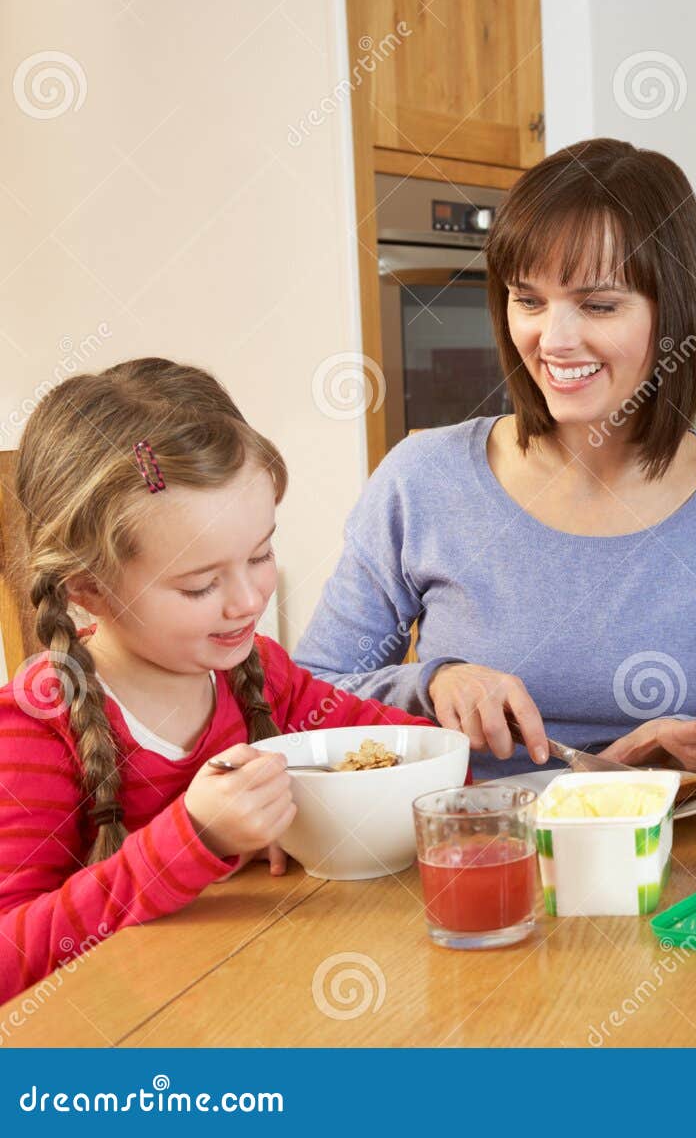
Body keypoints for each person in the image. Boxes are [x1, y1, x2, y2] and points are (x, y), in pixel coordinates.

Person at [295, 139, 696, 780]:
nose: (552, 341)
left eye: (597, 304)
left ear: (675, 314)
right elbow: (306, 702)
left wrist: (682, 758)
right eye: (528, 300)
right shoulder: (421, 478)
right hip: (465, 852)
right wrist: (433, 684)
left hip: (655, 860)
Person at [0, 359, 435, 1001]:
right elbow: (13, 962)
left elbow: (408, 753)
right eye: (200, 584)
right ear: (86, 586)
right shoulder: (34, 728)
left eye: (260, 555)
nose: (247, 600)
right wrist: (193, 837)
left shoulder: (260, 673)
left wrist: (449, 712)